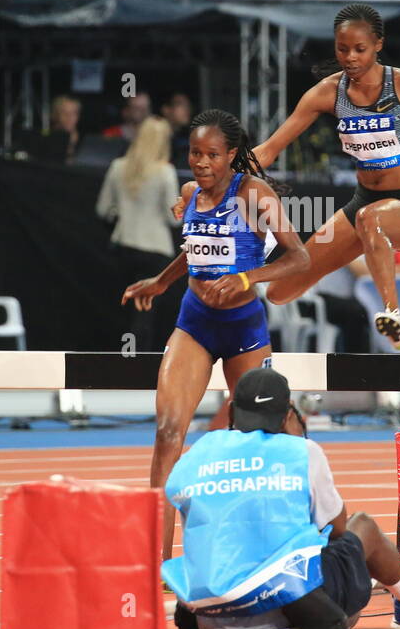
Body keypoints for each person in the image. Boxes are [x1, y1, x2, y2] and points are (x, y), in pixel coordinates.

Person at [179, 3, 400, 350]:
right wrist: (216, 182)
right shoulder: (327, 93)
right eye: (342, 49)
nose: (350, 58)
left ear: (378, 45)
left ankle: (391, 315)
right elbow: (271, 149)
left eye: (360, 49)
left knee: (373, 219)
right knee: (280, 290)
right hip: (360, 205)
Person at [122, 110, 311, 560]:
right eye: (194, 153)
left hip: (244, 329)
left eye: (211, 154)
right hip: (195, 323)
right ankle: (160, 560)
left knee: (270, 436)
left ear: (231, 156)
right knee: (169, 432)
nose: (201, 163)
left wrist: (248, 278)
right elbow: (196, 251)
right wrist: (163, 281)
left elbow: (299, 258)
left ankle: (306, 527)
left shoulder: (254, 195)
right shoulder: (189, 194)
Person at [165, 365, 400, 629]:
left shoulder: (200, 451)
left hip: (212, 618)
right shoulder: (301, 451)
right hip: (292, 611)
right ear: (288, 414)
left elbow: (187, 506)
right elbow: (336, 528)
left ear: (233, 411)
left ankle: (366, 586)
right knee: (363, 526)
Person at [97, 116, 181, 353]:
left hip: (124, 246)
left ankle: (121, 361)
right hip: (155, 249)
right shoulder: (165, 172)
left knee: (124, 308)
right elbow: (173, 217)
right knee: (146, 311)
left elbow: (103, 209)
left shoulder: (117, 167)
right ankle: (141, 364)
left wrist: (122, 211)